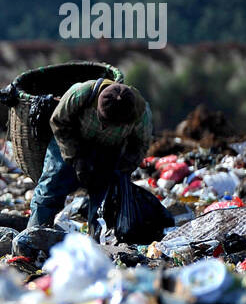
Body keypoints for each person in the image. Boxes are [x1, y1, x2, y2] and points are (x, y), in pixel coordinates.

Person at [26, 79, 153, 234]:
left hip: (109, 150)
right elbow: (59, 122)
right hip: (72, 140)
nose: (105, 127)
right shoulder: (82, 93)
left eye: (113, 125)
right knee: (51, 187)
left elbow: (140, 145)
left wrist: (121, 170)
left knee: (105, 201)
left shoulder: (141, 114)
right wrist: (75, 158)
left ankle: (98, 242)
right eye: (104, 121)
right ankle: (33, 237)